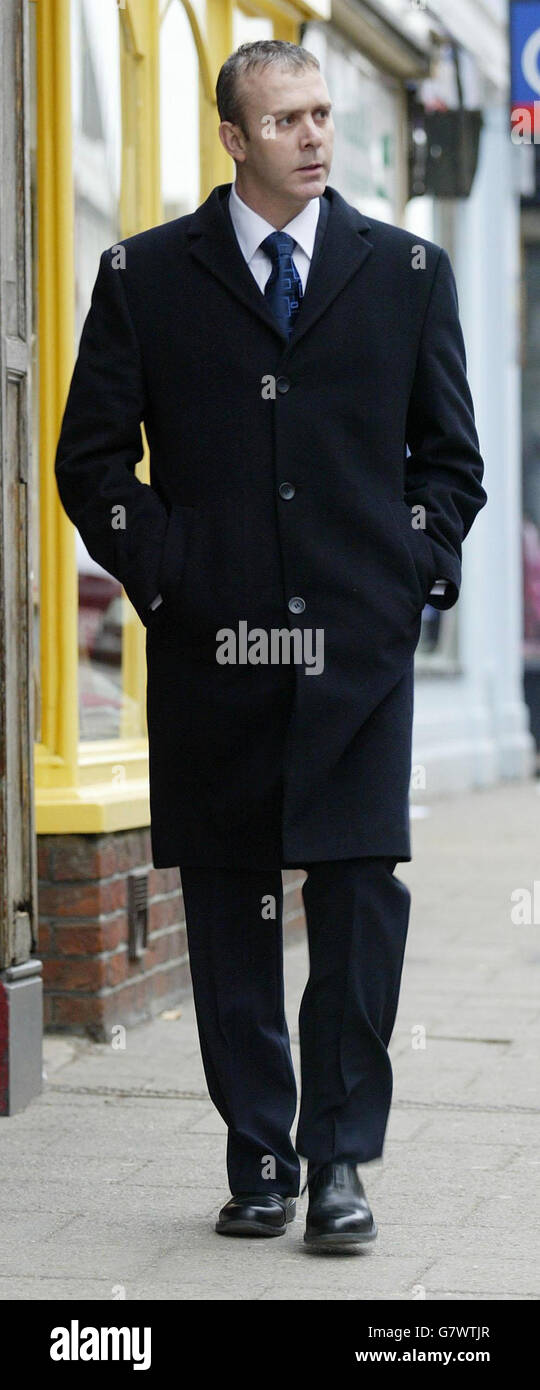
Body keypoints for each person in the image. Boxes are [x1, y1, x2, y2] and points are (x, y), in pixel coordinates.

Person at [55, 39, 487, 1250]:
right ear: (234, 140)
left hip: (357, 659)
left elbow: (450, 464)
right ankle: (259, 1150)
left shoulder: (406, 272)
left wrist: (411, 575)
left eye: (322, 115)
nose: (313, 136)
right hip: (214, 651)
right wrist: (172, 574)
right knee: (232, 901)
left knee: (359, 897)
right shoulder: (145, 278)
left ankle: (342, 1157)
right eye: (285, 120)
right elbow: (90, 462)